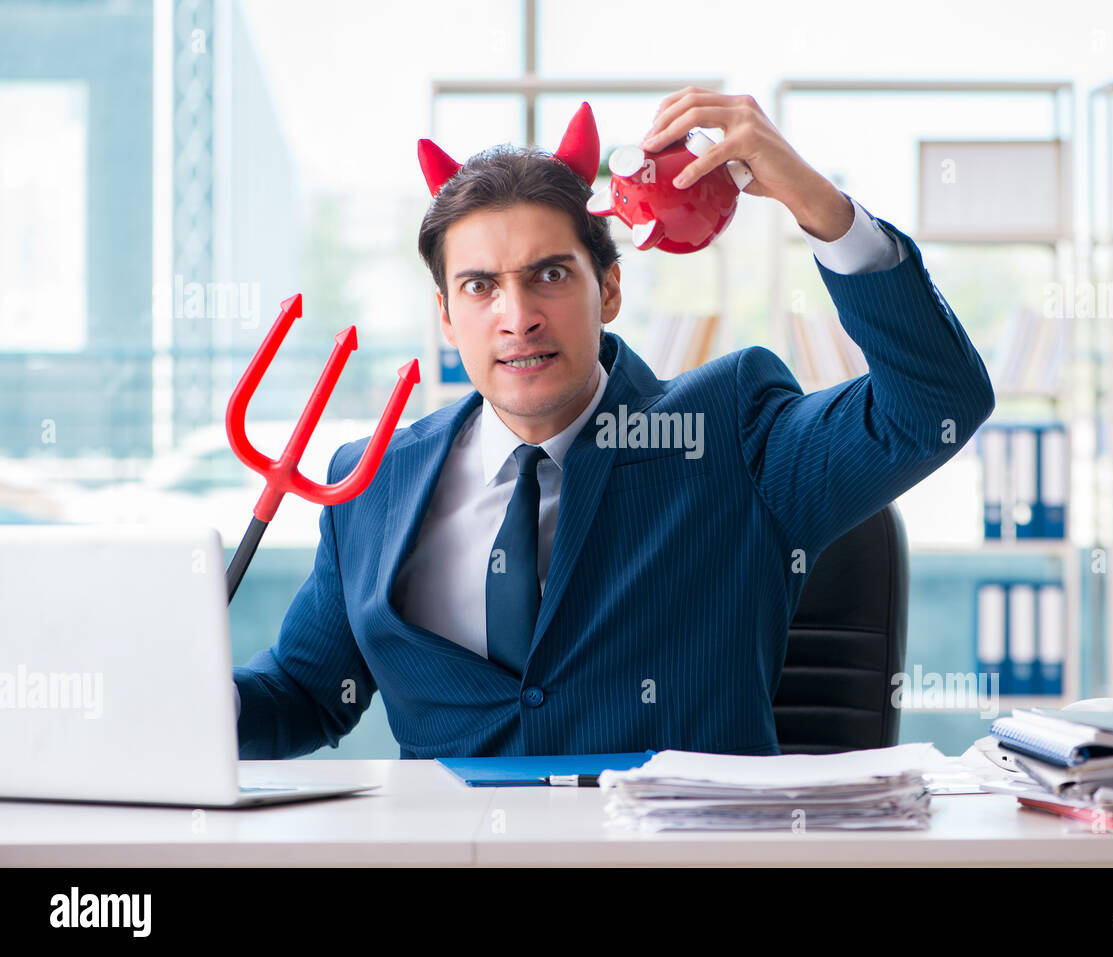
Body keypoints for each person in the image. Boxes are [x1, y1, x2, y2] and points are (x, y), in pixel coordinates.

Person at [233, 89, 995, 759]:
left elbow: (935, 405)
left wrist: (821, 209)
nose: (518, 316)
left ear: (611, 289)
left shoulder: (729, 430)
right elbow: (304, 693)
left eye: (550, 275)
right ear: (445, 316)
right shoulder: (371, 483)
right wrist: (193, 699)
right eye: (480, 286)